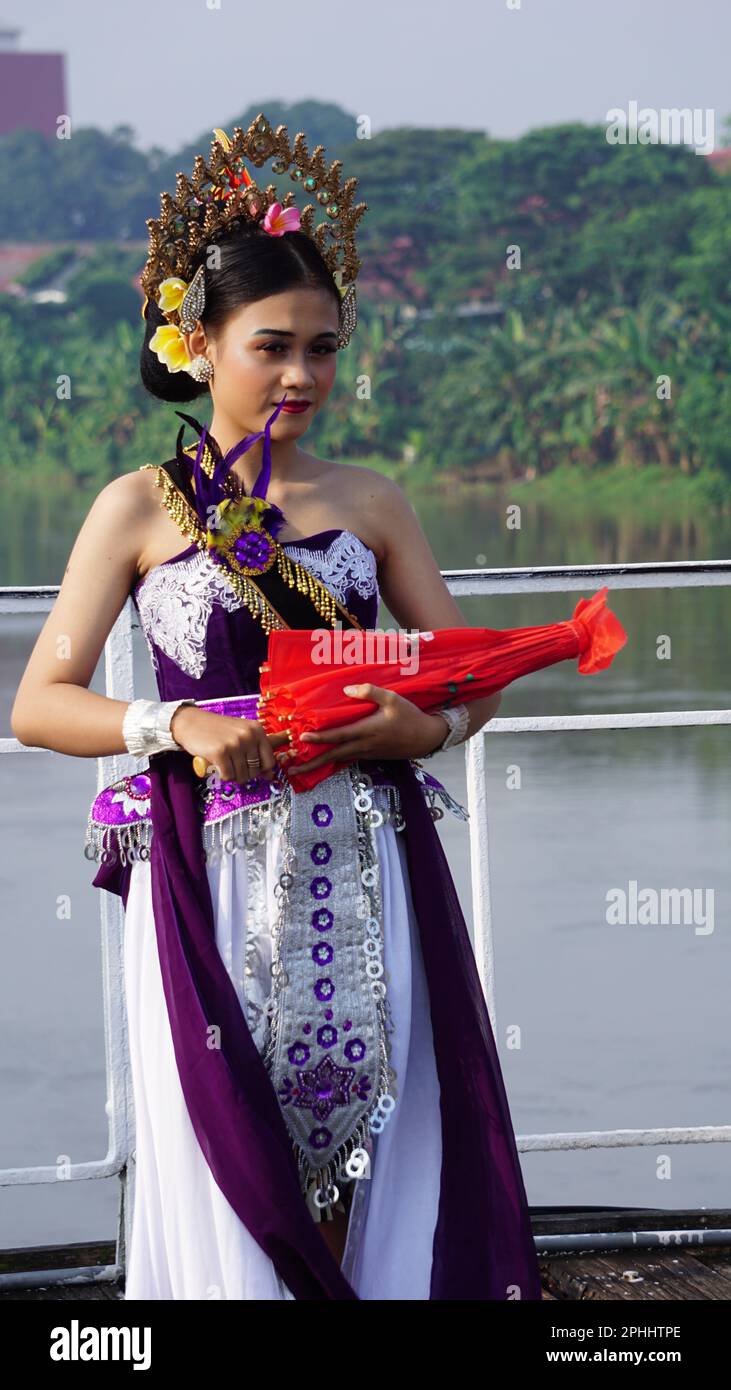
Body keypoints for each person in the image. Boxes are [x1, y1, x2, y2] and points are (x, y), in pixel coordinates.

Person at [11, 114, 543, 1301]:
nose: (301, 375)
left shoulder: (372, 501)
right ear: (196, 344)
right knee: (228, 1143)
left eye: (322, 347)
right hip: (209, 868)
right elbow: (40, 704)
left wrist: (430, 729)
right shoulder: (140, 507)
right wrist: (170, 726)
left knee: (385, 1116)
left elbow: (472, 670)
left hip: (368, 860)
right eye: (270, 346)